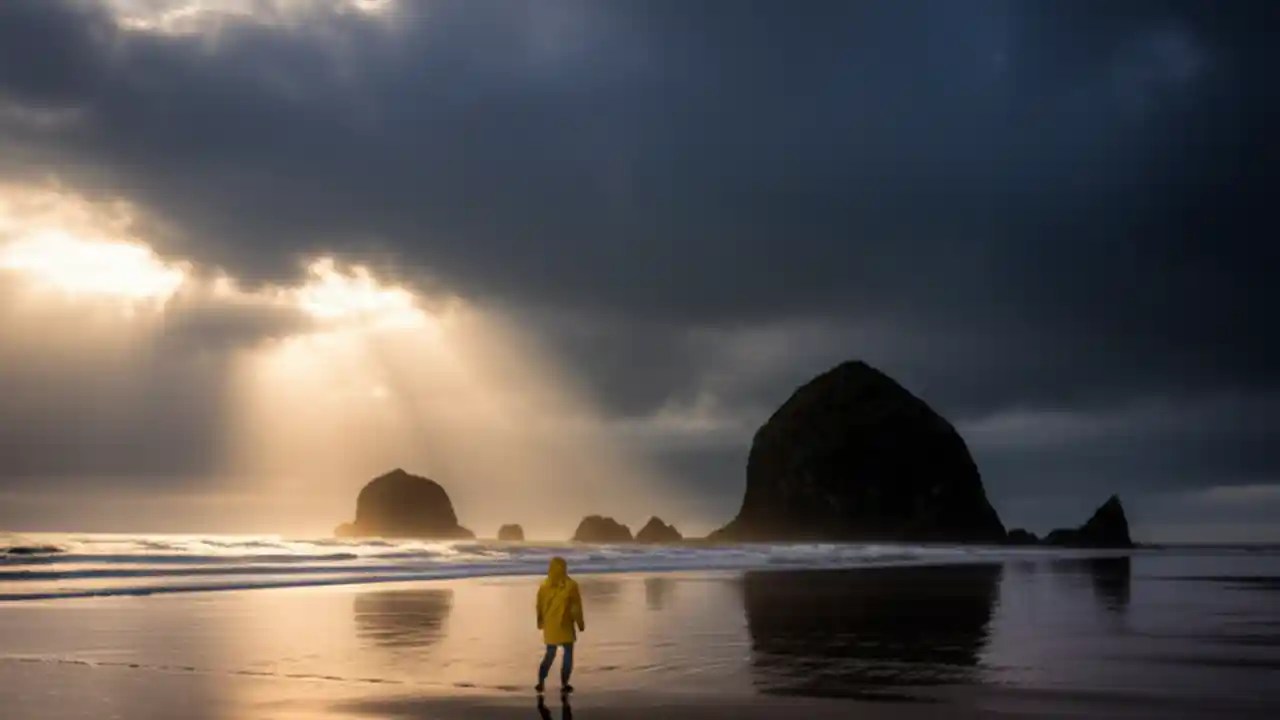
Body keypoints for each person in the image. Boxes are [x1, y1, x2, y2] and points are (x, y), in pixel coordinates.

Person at [535, 556, 584, 694]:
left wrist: (540, 622)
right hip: (565, 624)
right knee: (568, 654)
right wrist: (580, 623)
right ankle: (564, 684)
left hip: (550, 626)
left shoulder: (544, 585)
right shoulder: (571, 585)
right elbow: (576, 608)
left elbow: (539, 606)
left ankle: (540, 681)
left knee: (550, 654)